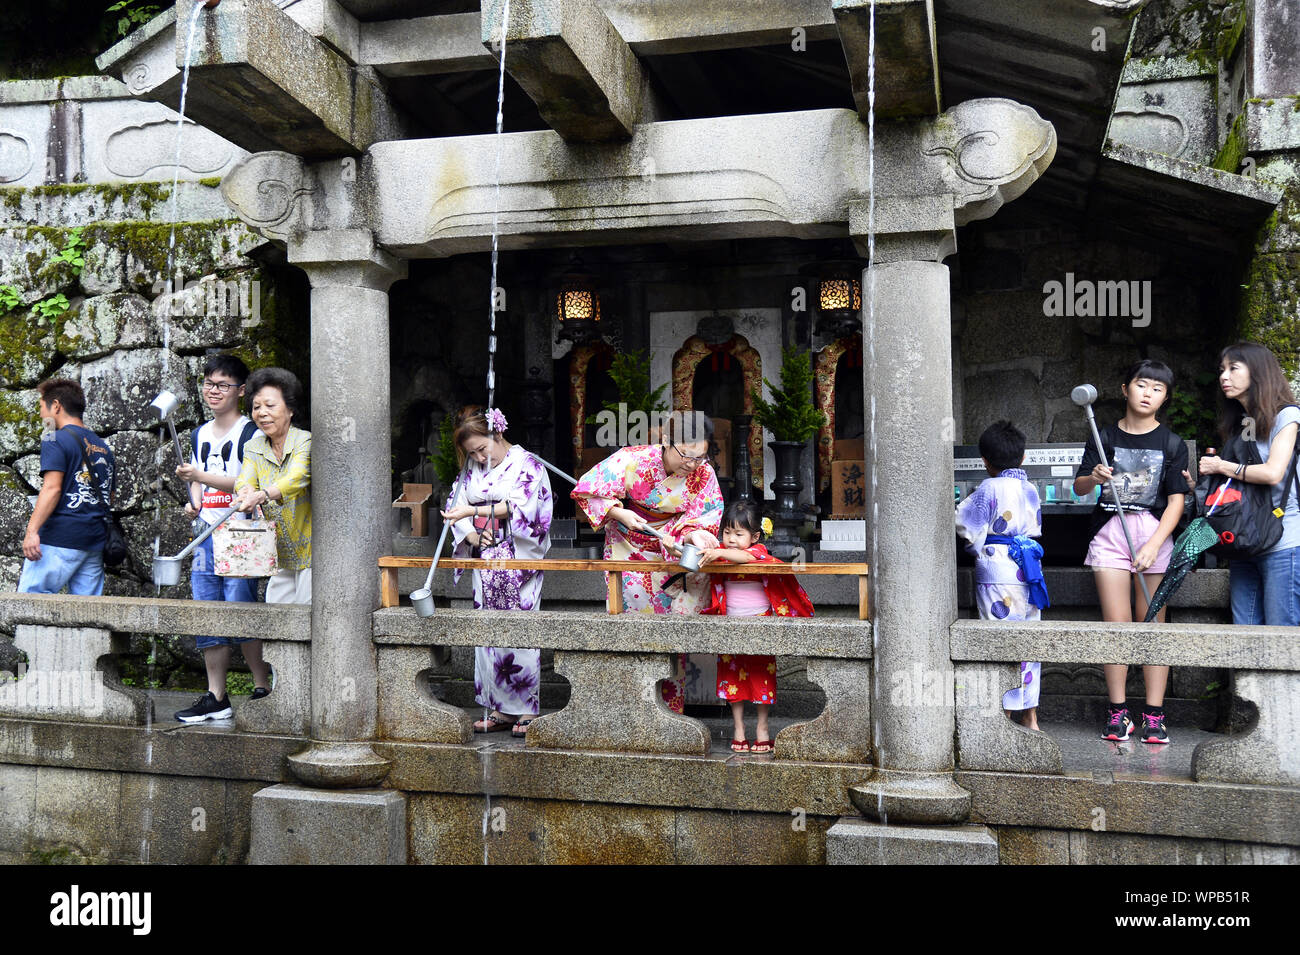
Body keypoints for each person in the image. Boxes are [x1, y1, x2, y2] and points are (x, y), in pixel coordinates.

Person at [572, 410, 724, 713]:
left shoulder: (703, 474)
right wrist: (620, 513)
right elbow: (588, 489)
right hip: (628, 545)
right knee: (633, 624)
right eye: (686, 456)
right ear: (666, 441)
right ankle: (630, 708)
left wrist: (695, 537)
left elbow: (705, 516)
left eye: (699, 458)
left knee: (672, 632)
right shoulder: (633, 459)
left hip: (671, 549)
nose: (691, 465)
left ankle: (670, 709)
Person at [1074, 360, 1187, 745]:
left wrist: (1154, 545)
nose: (1147, 393)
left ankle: (1154, 715)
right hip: (1110, 534)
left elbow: (1176, 502)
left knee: (1152, 624)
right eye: (1142, 385)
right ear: (1126, 389)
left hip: (1154, 535)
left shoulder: (1171, 444)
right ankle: (1118, 713)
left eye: (1157, 389)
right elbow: (1079, 488)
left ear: (1165, 398)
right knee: (1117, 624)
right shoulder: (1102, 435)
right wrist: (1095, 476)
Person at [438, 406, 553, 738]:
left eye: (482, 448)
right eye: (472, 452)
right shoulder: (472, 469)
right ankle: (499, 707)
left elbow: (525, 507)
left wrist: (474, 510)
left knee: (521, 630)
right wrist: (473, 535)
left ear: (497, 434)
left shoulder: (526, 464)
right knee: (488, 634)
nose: (478, 456)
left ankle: (527, 709)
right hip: (486, 559)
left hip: (517, 558)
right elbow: (453, 508)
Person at [173, 355, 271, 724]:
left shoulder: (251, 433)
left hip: (241, 532)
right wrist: (194, 502)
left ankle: (262, 686)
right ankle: (217, 695)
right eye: (209, 384)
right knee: (207, 612)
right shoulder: (199, 434)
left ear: (241, 391)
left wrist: (202, 475)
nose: (214, 391)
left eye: (223, 385)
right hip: (205, 534)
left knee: (240, 606)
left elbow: (251, 482)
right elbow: (197, 483)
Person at [954, 420, 1048, 731]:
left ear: (984, 460)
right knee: (1028, 637)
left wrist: (977, 544)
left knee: (999, 639)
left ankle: (1003, 715)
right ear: (1022, 458)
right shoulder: (1030, 488)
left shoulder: (988, 487)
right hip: (1029, 568)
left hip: (998, 569)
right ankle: (1030, 715)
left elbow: (965, 522)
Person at [1197, 342, 1299, 626]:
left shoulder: (1287, 415)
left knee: (1282, 633)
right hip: (1245, 539)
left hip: (1284, 538)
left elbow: (1272, 473)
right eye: (1221, 370)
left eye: (1233, 368)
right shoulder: (1243, 423)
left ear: (1257, 372)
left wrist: (1221, 466)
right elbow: (1237, 483)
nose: (1223, 377)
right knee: (1244, 633)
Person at [698, 501, 813, 753]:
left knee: (762, 674)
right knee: (731, 675)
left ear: (755, 536)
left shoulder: (757, 551)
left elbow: (745, 556)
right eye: (727, 533)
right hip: (730, 623)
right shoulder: (720, 553)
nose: (730, 539)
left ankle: (762, 727)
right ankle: (738, 728)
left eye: (739, 534)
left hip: (760, 622)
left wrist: (719, 553)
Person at [18, 379, 116, 596]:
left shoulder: (55, 438)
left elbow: (52, 489)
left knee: (31, 603)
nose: (42, 416)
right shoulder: (103, 447)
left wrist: (32, 531)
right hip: (94, 542)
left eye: (42, 408)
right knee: (87, 617)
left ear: (56, 406)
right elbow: (109, 495)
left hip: (60, 538)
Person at [232, 368, 312, 605]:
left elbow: (297, 477)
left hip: (313, 554)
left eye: (270, 406)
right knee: (276, 614)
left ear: (290, 409)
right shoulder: (253, 446)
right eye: (256, 407)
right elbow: (245, 478)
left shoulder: (304, 440)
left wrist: (263, 495)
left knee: (308, 620)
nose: (262, 413)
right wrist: (244, 491)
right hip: (281, 555)